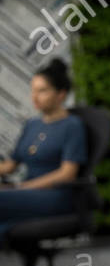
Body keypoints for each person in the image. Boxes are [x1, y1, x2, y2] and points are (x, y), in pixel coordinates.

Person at [0, 60, 87, 254]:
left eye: (43, 91)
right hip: (26, 193)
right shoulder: (32, 125)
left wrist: (22, 187)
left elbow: (67, 174)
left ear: (61, 94)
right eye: (33, 90)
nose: (35, 97)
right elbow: (10, 166)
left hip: (55, 196)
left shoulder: (72, 126)